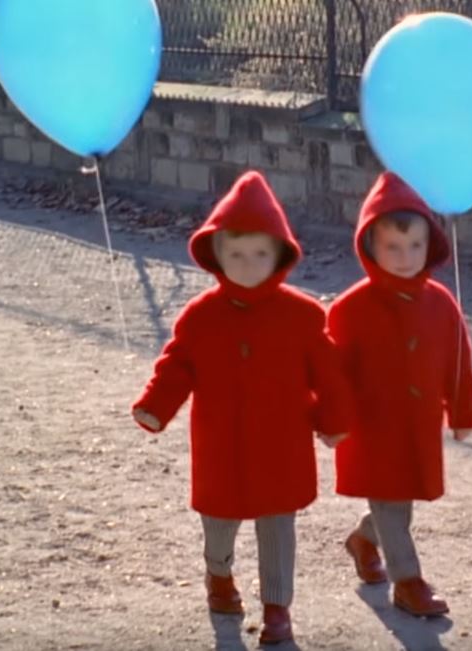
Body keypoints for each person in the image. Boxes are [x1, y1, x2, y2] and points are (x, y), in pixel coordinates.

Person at [132, 170, 350, 644]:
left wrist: (333, 422)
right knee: (219, 523)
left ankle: (277, 608)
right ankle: (219, 576)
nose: (248, 266)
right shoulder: (201, 316)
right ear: (216, 256)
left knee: (277, 528)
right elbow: (178, 365)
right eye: (236, 255)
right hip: (221, 444)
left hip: (282, 446)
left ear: (279, 256)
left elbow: (329, 375)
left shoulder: (303, 315)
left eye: (259, 254)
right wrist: (156, 405)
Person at [328, 171, 472, 617]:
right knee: (391, 500)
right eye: (392, 247)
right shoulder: (351, 308)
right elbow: (332, 372)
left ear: (430, 244)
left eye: (415, 245)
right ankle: (408, 582)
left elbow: (458, 362)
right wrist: (330, 419)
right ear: (369, 245)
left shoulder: (441, 302)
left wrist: (462, 413)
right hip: (371, 427)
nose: (405, 257)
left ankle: (363, 539)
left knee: (401, 500)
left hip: (418, 424)